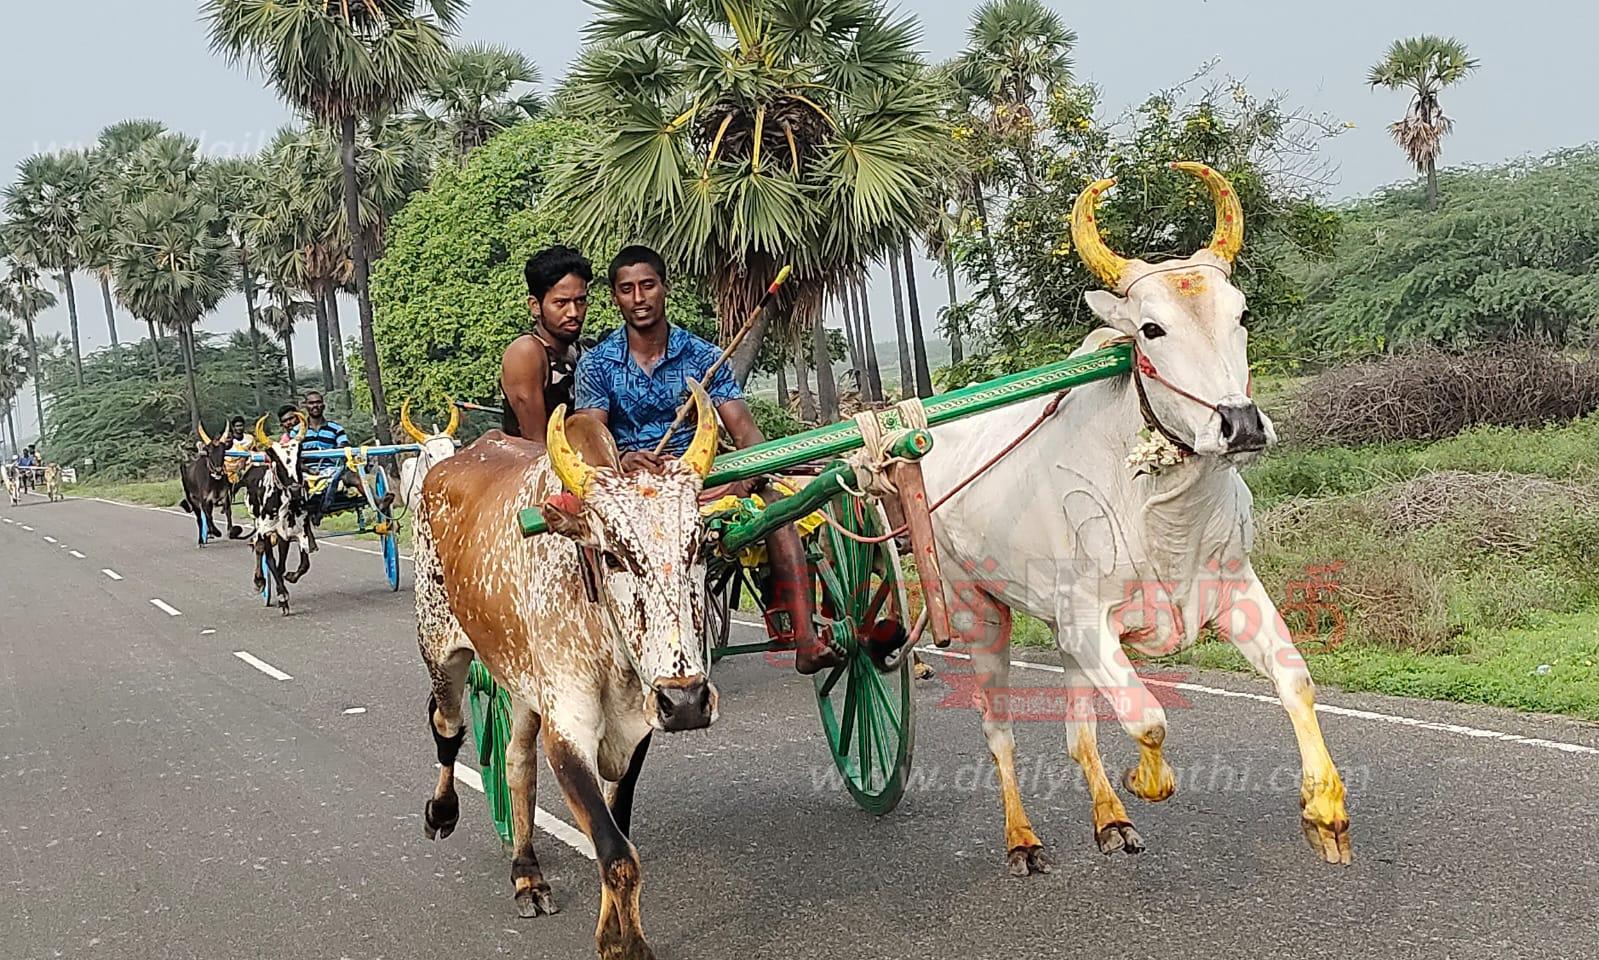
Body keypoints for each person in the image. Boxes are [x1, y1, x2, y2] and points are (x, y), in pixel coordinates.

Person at [573, 245, 840, 675]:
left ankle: (806, 639)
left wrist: (755, 469)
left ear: (665, 288)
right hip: (633, 491)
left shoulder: (702, 357)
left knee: (776, 505)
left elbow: (743, 429)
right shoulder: (597, 366)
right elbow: (591, 441)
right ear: (615, 298)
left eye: (647, 286)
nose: (639, 298)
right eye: (627, 289)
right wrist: (622, 458)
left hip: (703, 480)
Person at [501, 245, 592, 441]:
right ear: (535, 306)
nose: (573, 313)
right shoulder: (526, 352)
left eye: (580, 301)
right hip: (537, 468)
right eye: (561, 303)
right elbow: (536, 445)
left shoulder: (584, 350)